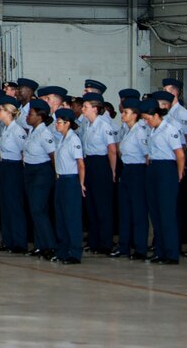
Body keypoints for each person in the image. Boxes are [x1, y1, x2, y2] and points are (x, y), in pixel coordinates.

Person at [142, 99, 184, 265]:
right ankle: (160, 251)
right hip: (153, 168)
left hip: (166, 169)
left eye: (148, 118)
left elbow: (180, 154)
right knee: (156, 213)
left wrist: (178, 174)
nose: (146, 121)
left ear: (156, 115)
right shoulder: (152, 130)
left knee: (167, 213)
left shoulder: (169, 130)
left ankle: (172, 253)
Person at [79, 92, 117, 255]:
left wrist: (112, 170)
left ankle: (105, 243)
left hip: (101, 164)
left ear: (95, 108)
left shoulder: (104, 125)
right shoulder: (87, 125)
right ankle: (94, 242)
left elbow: (112, 150)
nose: (83, 109)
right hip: (89, 163)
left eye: (86, 107)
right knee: (92, 205)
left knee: (102, 205)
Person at [114, 98, 150, 260]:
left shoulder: (140, 131)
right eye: (123, 112)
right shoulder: (128, 131)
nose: (123, 114)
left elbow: (147, 156)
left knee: (138, 211)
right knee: (125, 210)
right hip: (127, 170)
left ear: (135, 115)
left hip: (138, 171)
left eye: (126, 112)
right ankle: (124, 247)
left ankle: (140, 248)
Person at [22, 100, 57, 259]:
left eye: (31, 114)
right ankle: (39, 245)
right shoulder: (33, 131)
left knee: (38, 209)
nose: (27, 116)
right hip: (30, 170)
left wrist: (57, 175)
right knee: (35, 210)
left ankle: (50, 246)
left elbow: (53, 156)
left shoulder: (45, 133)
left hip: (42, 172)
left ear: (40, 116)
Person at [52, 108, 85, 265]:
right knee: (61, 217)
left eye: (59, 122)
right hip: (61, 180)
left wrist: (81, 183)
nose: (56, 125)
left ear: (68, 123)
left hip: (71, 180)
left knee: (72, 218)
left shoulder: (74, 140)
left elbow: (80, 164)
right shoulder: (62, 139)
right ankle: (63, 250)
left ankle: (75, 251)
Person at [0, 99, 28, 253]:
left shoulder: (17, 131)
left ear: (9, 112)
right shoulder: (5, 129)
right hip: (5, 165)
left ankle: (19, 241)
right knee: (5, 204)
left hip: (14, 167)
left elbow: (24, 151)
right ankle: (8, 240)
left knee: (15, 205)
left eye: (0, 110)